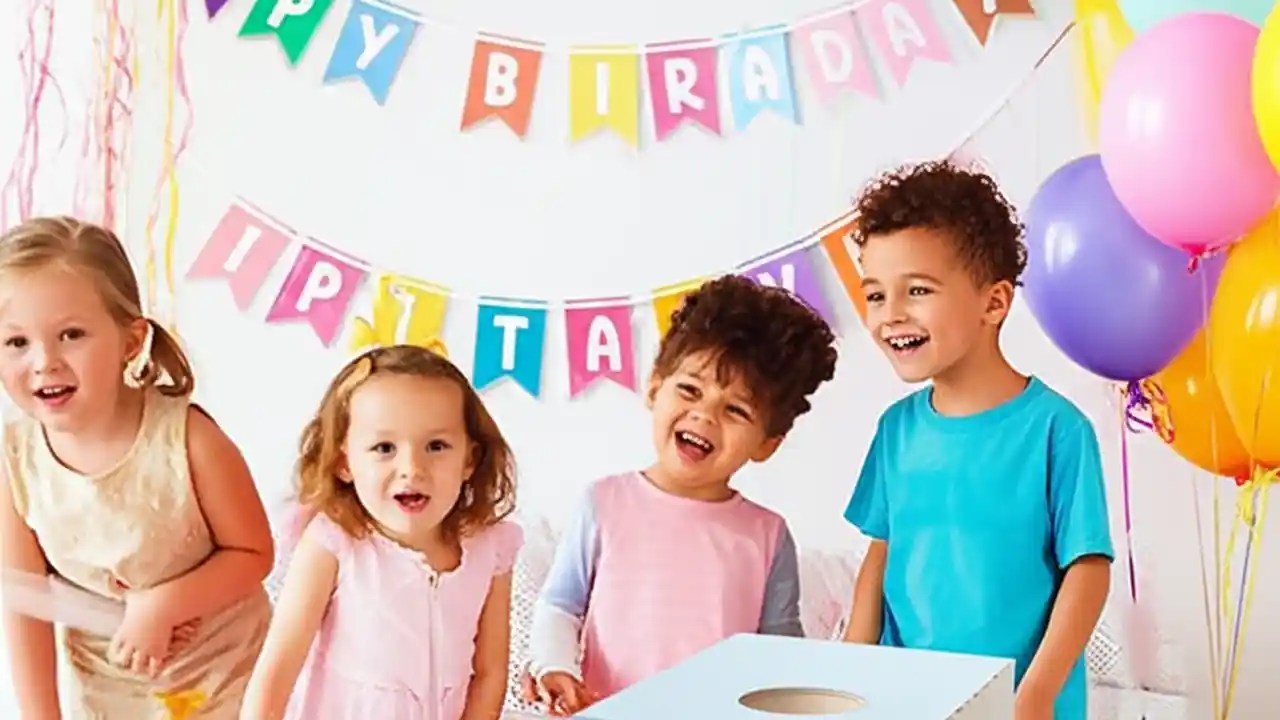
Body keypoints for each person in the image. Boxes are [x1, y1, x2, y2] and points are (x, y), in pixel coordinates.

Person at [841, 161, 1113, 720]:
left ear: (994, 302)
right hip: (905, 699)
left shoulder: (1057, 430)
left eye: (917, 290)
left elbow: (1087, 568)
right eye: (875, 295)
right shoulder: (895, 430)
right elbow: (881, 554)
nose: (891, 315)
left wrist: (1037, 691)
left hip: (1015, 703)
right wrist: (848, 671)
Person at [524, 275, 839, 716]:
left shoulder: (768, 535)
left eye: (736, 410)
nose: (704, 415)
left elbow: (780, 652)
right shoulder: (604, 503)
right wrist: (553, 666)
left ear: (768, 443)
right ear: (655, 387)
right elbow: (560, 605)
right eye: (690, 390)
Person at [0, 216, 274, 718]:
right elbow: (25, 602)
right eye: (17, 342)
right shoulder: (16, 461)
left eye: (71, 334)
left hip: (225, 678)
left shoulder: (188, 440)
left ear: (130, 341)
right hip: (109, 690)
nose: (44, 362)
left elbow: (254, 554)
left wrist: (164, 605)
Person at [241, 345, 521, 720]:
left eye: (436, 446)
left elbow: (490, 673)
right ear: (344, 462)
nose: (412, 468)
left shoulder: (492, 548)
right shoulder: (333, 545)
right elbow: (274, 677)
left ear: (469, 459)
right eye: (384, 447)